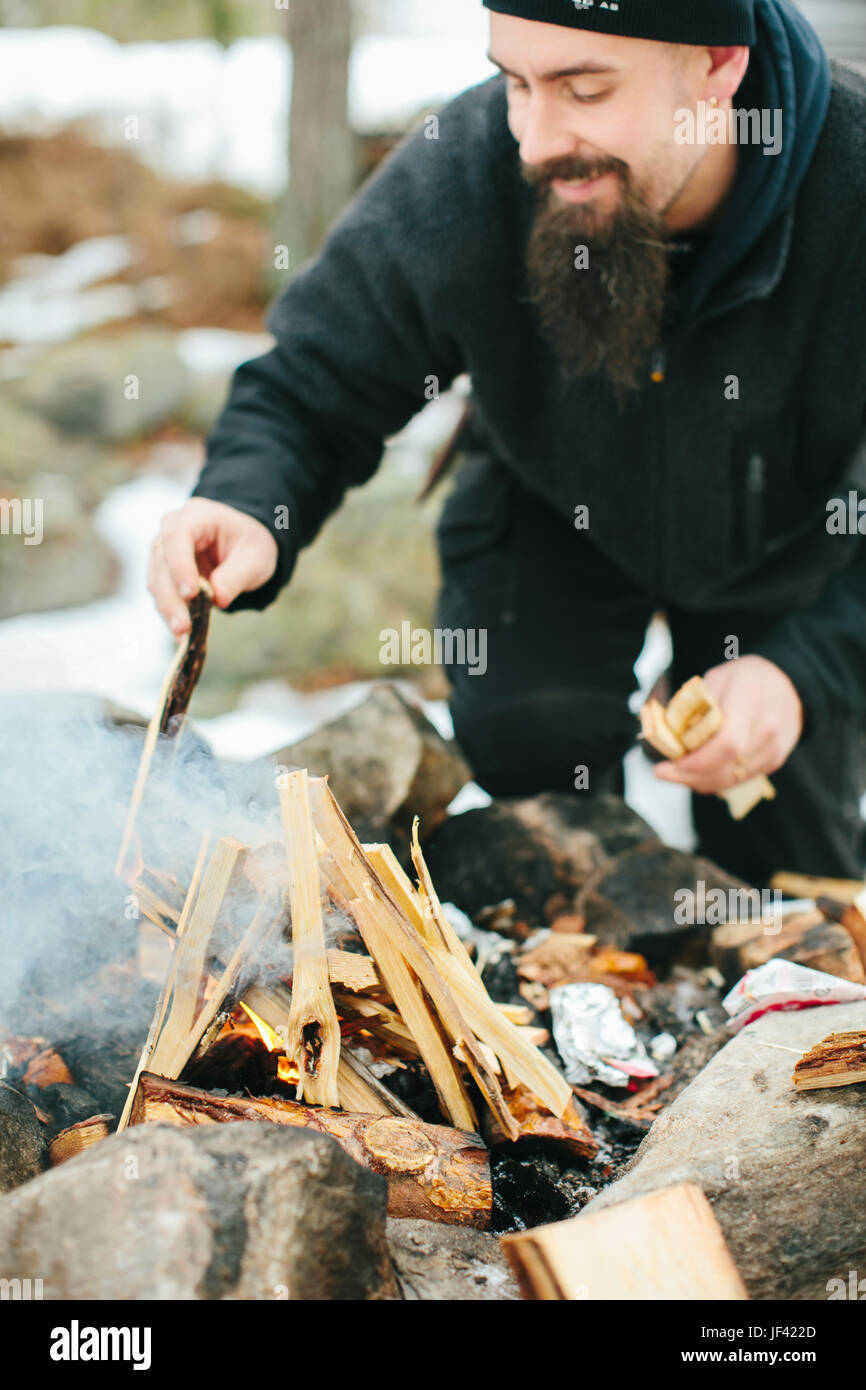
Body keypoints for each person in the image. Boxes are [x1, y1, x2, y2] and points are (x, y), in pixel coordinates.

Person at [147, 0, 866, 887]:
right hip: (555, 498)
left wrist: (803, 670)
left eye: (585, 90)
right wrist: (249, 500)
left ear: (719, 67)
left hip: (798, 544)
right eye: (516, 81)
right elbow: (315, 378)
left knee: (788, 882)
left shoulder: (856, 182)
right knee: (535, 776)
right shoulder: (476, 160)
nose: (533, 140)